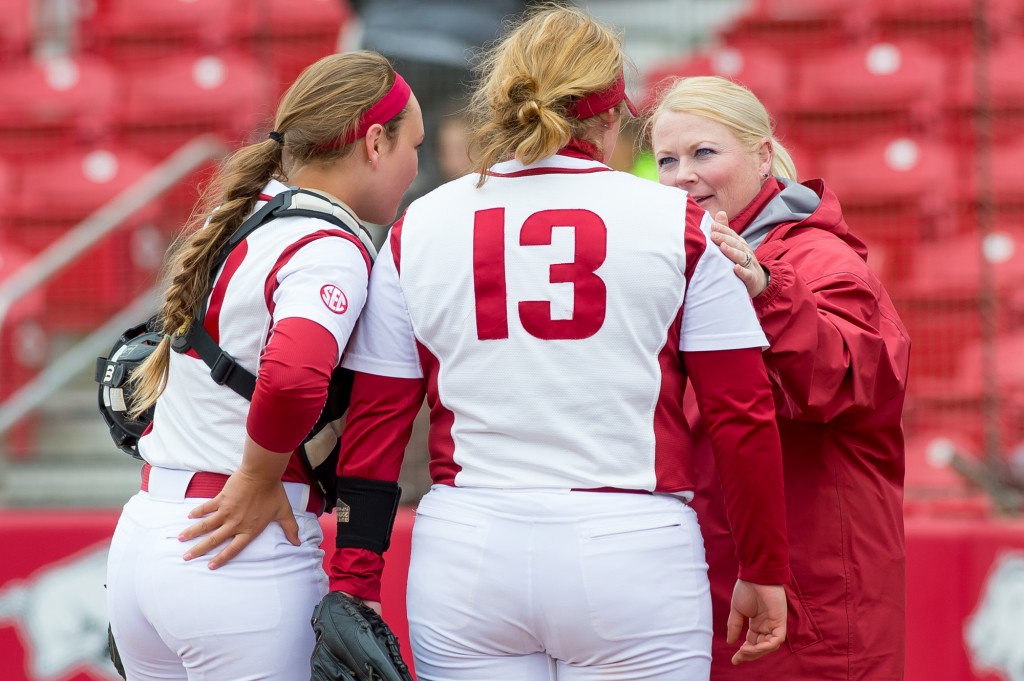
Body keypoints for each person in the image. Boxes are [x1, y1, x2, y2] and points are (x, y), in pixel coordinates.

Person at [327, 6, 790, 680]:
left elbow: (377, 420)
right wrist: (764, 566)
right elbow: (741, 414)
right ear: (608, 120)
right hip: (630, 546)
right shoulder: (678, 224)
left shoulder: (418, 225)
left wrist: (355, 574)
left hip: (468, 547)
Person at [104, 50, 424, 681]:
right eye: (412, 145)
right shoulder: (328, 244)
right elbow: (294, 375)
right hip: (237, 547)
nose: (417, 166)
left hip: (146, 536)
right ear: (376, 142)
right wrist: (257, 474)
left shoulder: (252, 213)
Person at [649, 75, 910, 680]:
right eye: (667, 159)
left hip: (813, 600)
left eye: (704, 153)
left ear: (763, 154)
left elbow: (846, 378)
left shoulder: (820, 258)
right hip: (734, 583)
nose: (682, 175)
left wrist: (766, 291)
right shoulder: (693, 260)